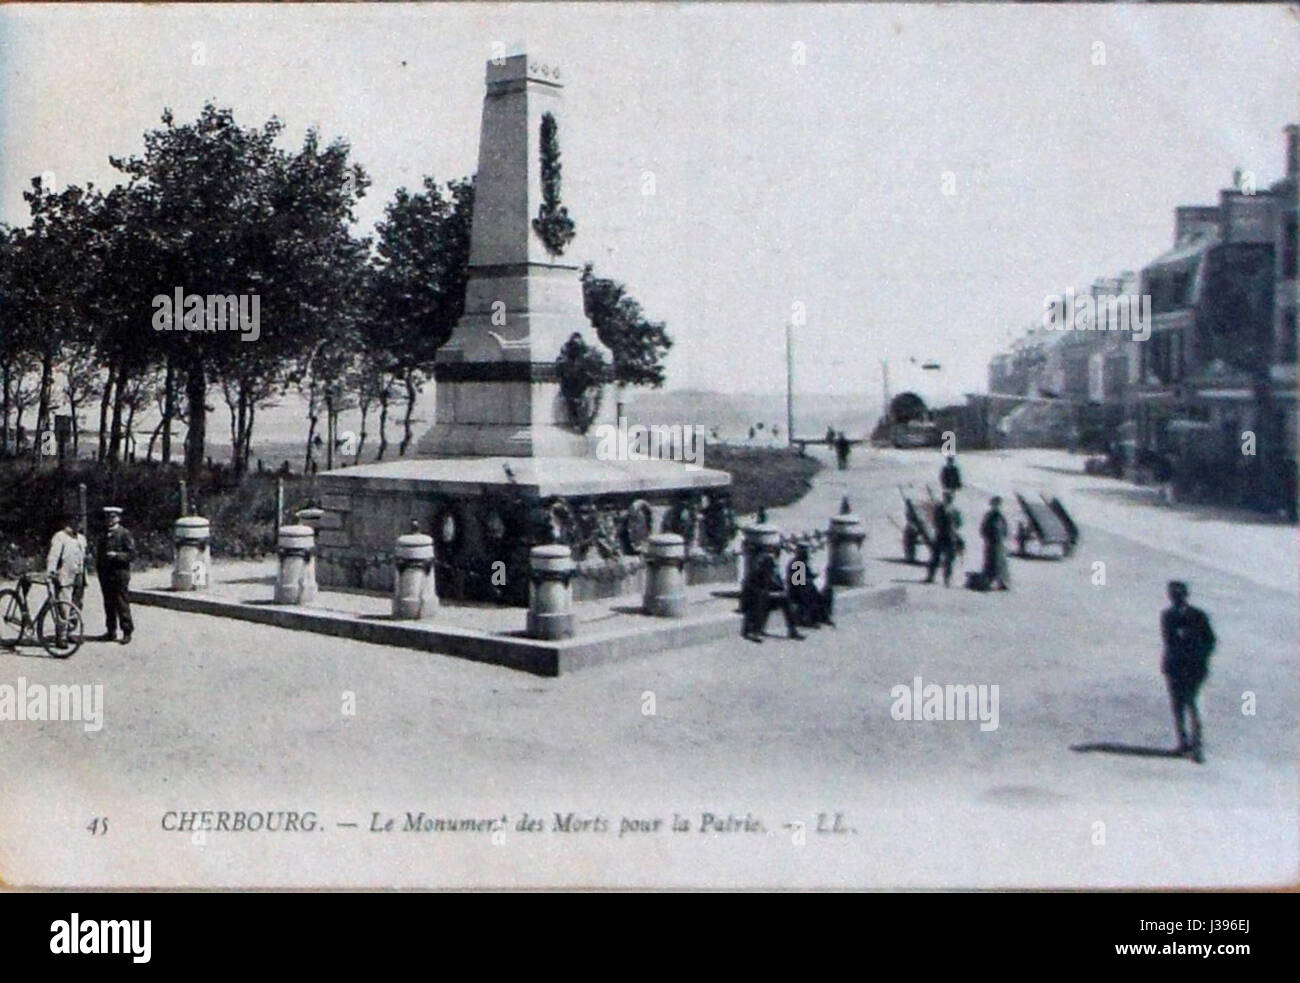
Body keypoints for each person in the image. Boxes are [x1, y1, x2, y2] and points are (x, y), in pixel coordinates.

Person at [1161, 581, 1216, 762]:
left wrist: (1199, 658)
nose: (1175, 598)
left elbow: (1210, 640)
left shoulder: (1198, 616)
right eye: (1173, 595)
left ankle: (1197, 745)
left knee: (1192, 704)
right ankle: (1182, 743)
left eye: (1178, 595)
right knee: (1178, 706)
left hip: (1194, 668)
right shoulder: (1167, 616)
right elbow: (1169, 641)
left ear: (1185, 596)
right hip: (1175, 668)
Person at [740, 548, 804, 642]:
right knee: (760, 601)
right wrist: (768, 593)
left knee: (785, 600)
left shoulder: (772, 575)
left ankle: (792, 630)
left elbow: (779, 587)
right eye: (770, 566)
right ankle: (754, 631)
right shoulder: (754, 575)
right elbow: (751, 592)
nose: (771, 569)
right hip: (754, 602)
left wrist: (780, 593)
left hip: (768, 599)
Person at [45, 512, 88, 644]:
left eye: (79, 521)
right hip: (65, 576)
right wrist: (51, 571)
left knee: (76, 605)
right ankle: (61, 636)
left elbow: (83, 557)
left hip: (79, 576)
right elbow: (53, 556)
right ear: (68, 523)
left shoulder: (81, 538)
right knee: (64, 606)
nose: (77, 524)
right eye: (74, 521)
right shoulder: (60, 537)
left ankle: (70, 632)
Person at [96, 506, 135, 644]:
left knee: (121, 603)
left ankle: (127, 631)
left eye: (113, 517)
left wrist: (117, 555)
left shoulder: (124, 534)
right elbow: (99, 555)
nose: (109, 520)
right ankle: (110, 630)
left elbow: (131, 554)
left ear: (118, 518)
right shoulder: (103, 534)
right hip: (106, 574)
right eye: (107, 517)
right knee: (108, 603)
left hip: (120, 574)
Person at [786, 543, 834, 628]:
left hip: (806, 588)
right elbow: (797, 583)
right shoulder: (797, 564)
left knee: (828, 590)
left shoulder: (803, 563)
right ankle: (809, 619)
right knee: (811, 594)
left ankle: (824, 616)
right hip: (797, 591)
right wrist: (811, 582)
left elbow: (807, 575)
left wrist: (815, 577)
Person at [923, 492, 958, 587]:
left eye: (950, 498)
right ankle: (930, 576)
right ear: (944, 498)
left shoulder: (954, 510)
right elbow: (935, 520)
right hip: (940, 536)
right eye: (946, 498)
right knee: (935, 557)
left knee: (949, 559)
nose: (948, 499)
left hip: (950, 537)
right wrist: (939, 527)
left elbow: (959, 522)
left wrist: (953, 530)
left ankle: (947, 579)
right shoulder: (939, 508)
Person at [979, 496, 1010, 590]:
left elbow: (1005, 529)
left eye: (998, 504)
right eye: (995, 504)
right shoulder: (989, 516)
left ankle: (1001, 582)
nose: (996, 506)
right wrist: (988, 538)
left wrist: (1002, 536)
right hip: (991, 543)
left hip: (998, 543)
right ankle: (987, 581)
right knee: (989, 562)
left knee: (1000, 563)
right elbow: (983, 529)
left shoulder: (1000, 516)